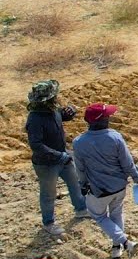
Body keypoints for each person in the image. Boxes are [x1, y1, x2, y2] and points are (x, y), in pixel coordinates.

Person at [72, 103, 138, 259]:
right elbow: (127, 163)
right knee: (116, 213)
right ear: (102, 121)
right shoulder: (115, 137)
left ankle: (124, 242)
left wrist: (83, 185)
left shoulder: (79, 143)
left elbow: (80, 169)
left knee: (99, 216)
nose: (109, 118)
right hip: (119, 186)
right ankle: (116, 247)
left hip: (98, 190)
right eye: (107, 116)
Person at [25, 79, 90, 236]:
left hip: (62, 157)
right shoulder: (34, 119)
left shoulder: (51, 111)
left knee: (74, 184)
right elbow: (36, 145)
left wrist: (67, 114)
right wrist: (59, 156)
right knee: (48, 194)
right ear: (48, 99)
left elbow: (58, 117)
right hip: (46, 164)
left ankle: (81, 209)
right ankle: (49, 223)